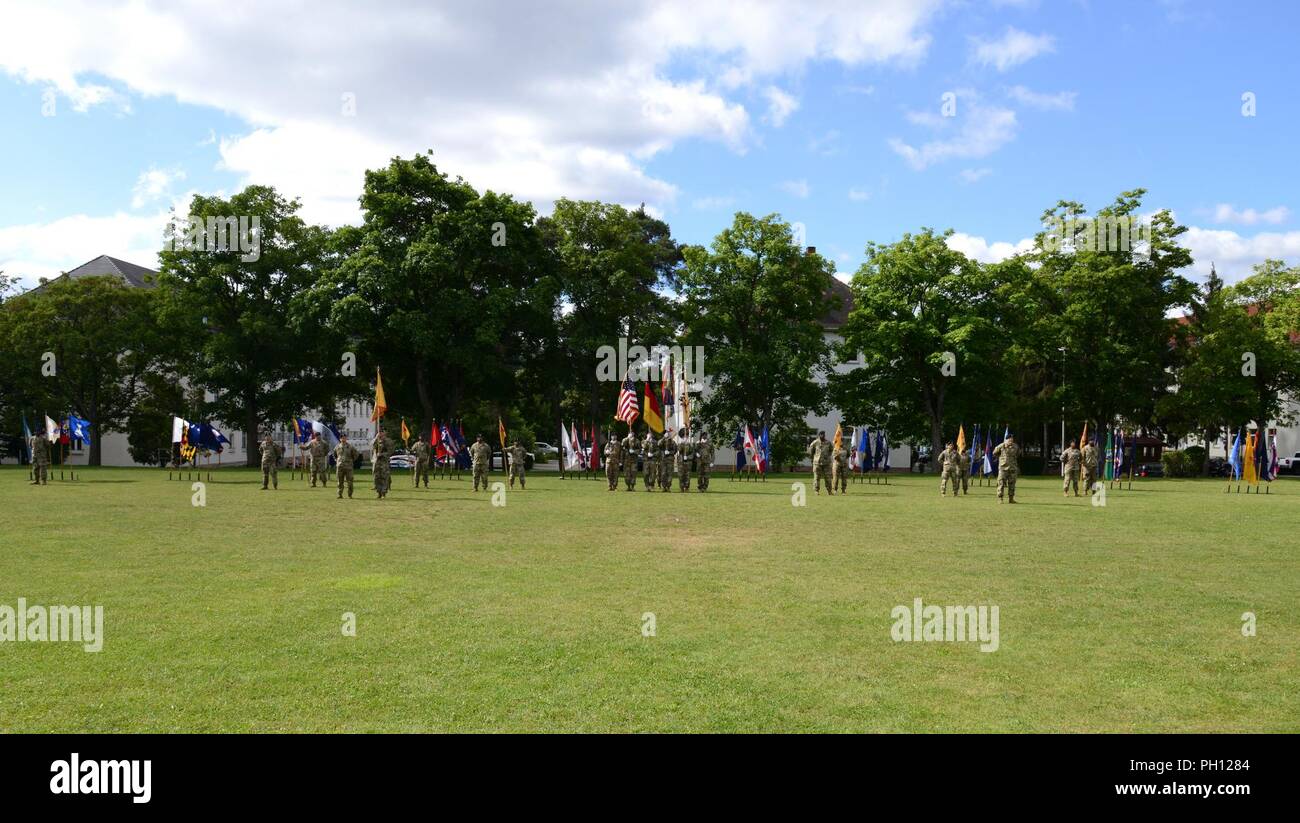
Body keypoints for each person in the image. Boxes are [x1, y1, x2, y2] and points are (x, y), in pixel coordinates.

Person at [992, 434, 1021, 504]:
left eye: (1012, 439)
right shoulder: (1001, 446)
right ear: (1006, 440)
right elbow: (994, 453)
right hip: (1003, 468)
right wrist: (1001, 459)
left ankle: (1011, 499)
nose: (1011, 441)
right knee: (1001, 483)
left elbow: (1018, 454)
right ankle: (1000, 498)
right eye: (1009, 439)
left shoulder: (1016, 446)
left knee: (1012, 484)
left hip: (1012, 468)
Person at [334, 434, 360, 499]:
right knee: (340, 481)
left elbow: (356, 454)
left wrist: (351, 461)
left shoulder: (350, 447)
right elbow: (334, 455)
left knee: (350, 482)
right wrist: (337, 461)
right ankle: (340, 494)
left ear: (346, 439)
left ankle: (350, 494)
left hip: (349, 467)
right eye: (342, 438)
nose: (343, 439)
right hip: (340, 467)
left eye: (344, 438)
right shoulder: (337, 447)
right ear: (340, 439)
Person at [370, 429, 393, 498]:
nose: (380, 433)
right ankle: (378, 492)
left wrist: (382, 454)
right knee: (376, 477)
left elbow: (390, 451)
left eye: (382, 432)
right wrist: (376, 438)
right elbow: (371, 446)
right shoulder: (376, 440)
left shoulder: (388, 441)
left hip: (384, 462)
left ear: (385, 433)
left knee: (384, 477)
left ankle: (383, 492)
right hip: (376, 461)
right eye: (379, 432)